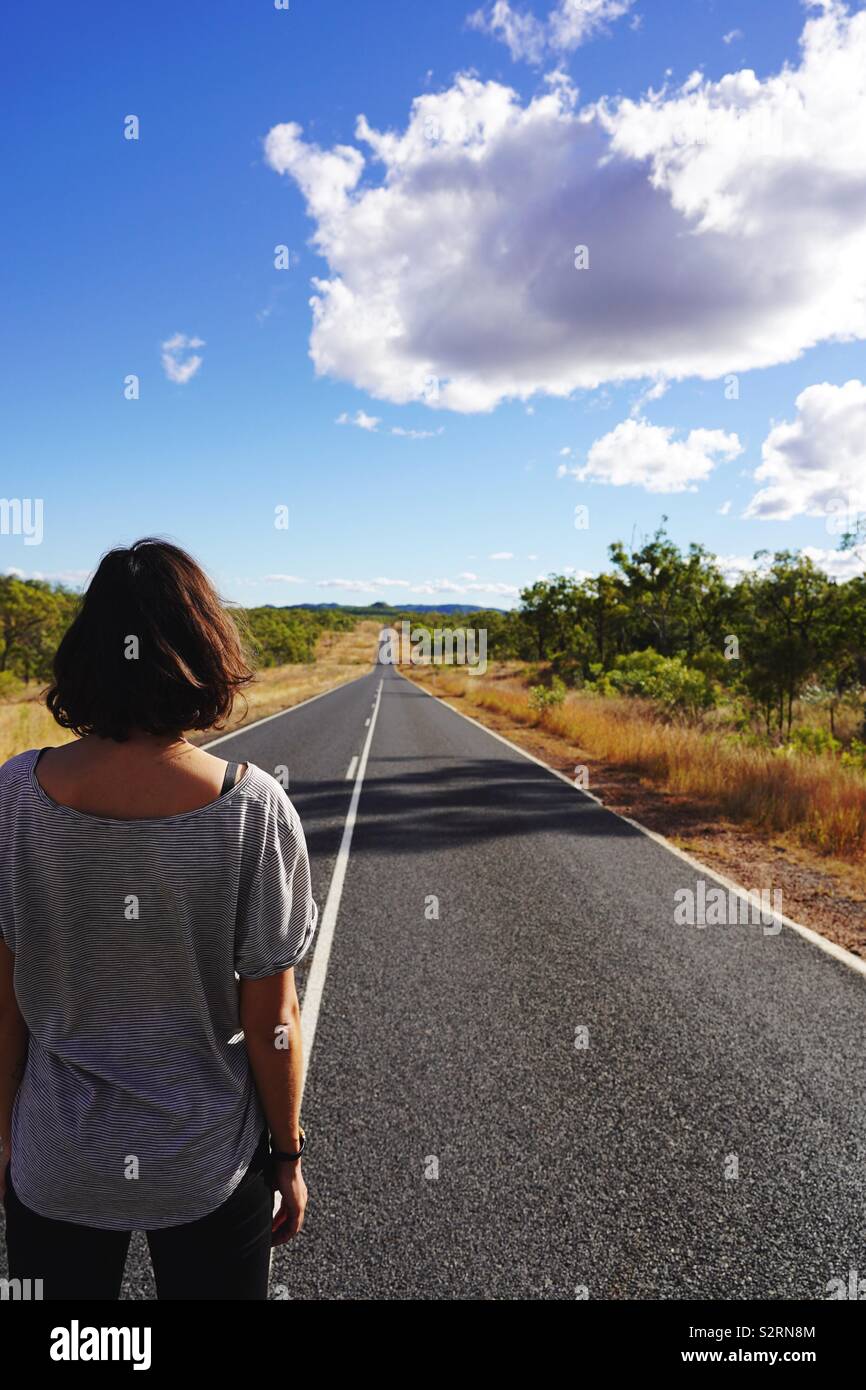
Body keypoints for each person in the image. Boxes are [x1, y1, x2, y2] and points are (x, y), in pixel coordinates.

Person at [0, 537, 317, 1300]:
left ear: (86, 658)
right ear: (203, 651)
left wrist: (3, 1133)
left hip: (58, 1157)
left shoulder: (14, 795)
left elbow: (4, 990)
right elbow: (272, 1013)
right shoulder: (253, 809)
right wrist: (288, 1154)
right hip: (204, 1161)